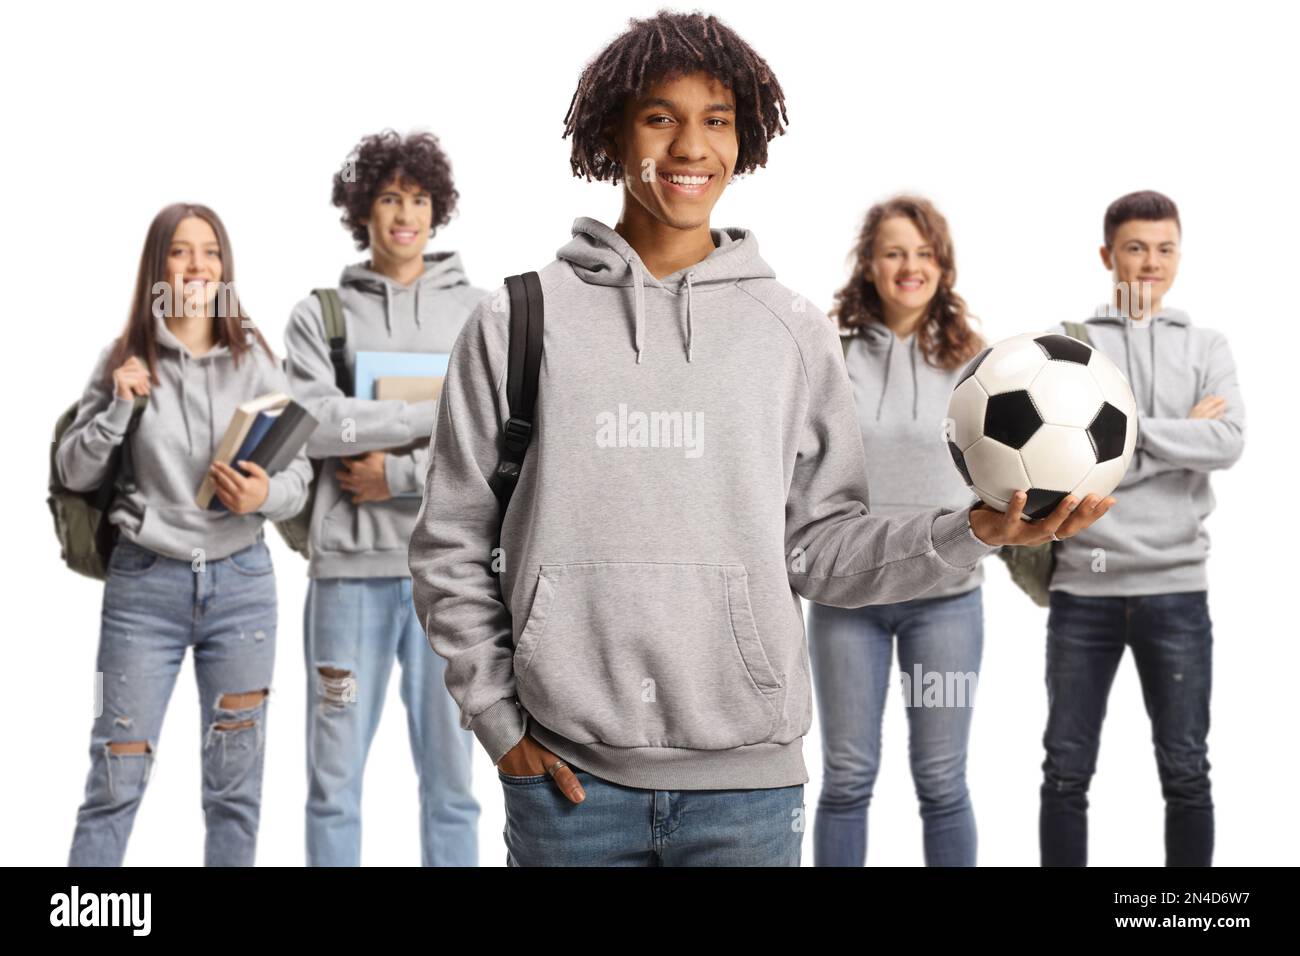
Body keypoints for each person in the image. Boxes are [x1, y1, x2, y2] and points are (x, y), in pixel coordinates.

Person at [409, 9, 1113, 867]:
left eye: (717, 120)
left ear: (745, 139)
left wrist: (975, 531)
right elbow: (449, 541)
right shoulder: (516, 321)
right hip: (566, 783)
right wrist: (497, 723)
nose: (690, 147)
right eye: (660, 116)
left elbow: (820, 547)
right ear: (611, 131)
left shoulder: (791, 332)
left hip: (747, 795)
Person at [62, 203, 312, 866]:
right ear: (157, 266)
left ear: (225, 267)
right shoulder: (123, 360)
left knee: (234, 792)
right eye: (180, 251)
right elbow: (76, 467)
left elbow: (300, 479)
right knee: (114, 781)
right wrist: (119, 407)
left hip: (243, 590)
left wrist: (264, 495)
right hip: (145, 591)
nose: (198, 265)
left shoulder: (254, 358)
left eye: (210, 252)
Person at [282, 130, 485, 867]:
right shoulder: (321, 315)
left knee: (454, 785)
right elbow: (309, 423)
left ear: (439, 211)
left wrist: (396, 472)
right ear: (361, 210)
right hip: (347, 582)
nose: (406, 214)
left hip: (451, 581)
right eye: (390, 197)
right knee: (333, 784)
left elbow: (498, 444)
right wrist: (432, 416)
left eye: (420, 198)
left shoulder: (481, 314)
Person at [1038, 189, 1245, 867]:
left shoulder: (1207, 344)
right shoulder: (1075, 346)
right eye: (1135, 248)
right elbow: (1067, 463)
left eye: (1164, 248)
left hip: (1177, 589)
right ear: (1108, 255)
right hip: (1083, 593)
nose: (1150, 262)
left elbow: (1230, 442)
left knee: (1186, 771)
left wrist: (1125, 436)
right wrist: (1182, 433)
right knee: (1066, 772)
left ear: (1178, 254)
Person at [810, 195, 988, 866]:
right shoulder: (830, 350)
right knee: (847, 780)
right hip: (846, 600)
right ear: (870, 265)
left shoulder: (978, 361)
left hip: (944, 600)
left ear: (941, 264)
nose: (909, 266)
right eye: (893, 252)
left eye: (922, 252)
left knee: (942, 783)